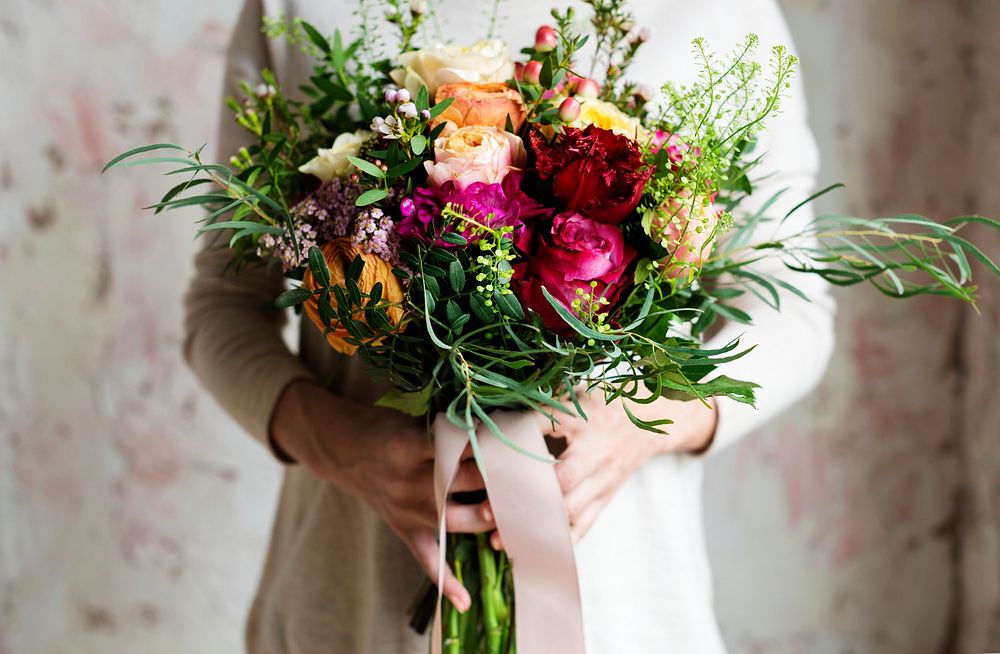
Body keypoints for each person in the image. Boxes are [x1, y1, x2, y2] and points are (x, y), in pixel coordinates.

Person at [183, 0, 836, 652]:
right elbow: (223, 303)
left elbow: (793, 311)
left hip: (626, 612)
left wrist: (642, 427)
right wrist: (340, 444)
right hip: (347, 608)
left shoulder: (718, 14)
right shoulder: (300, 9)